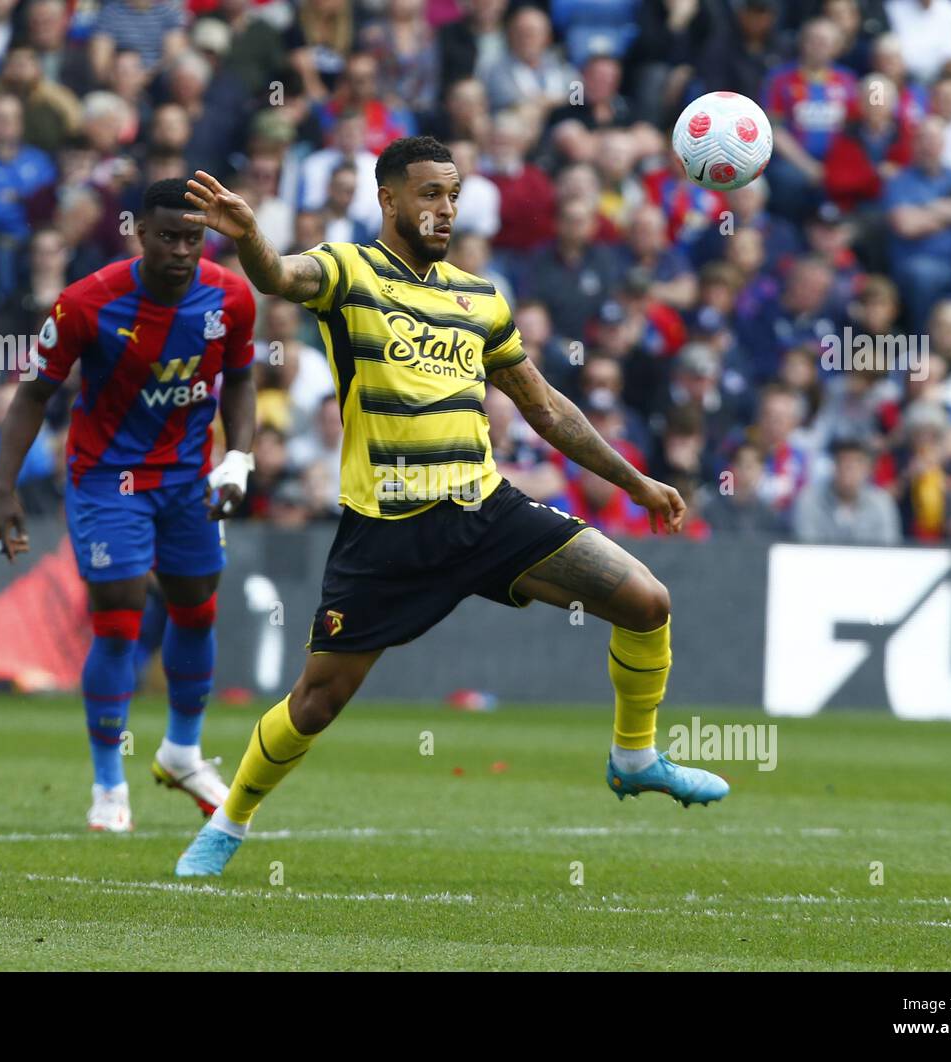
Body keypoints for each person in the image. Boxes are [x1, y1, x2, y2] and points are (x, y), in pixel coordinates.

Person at [173, 136, 728, 879]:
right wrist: (252, 241)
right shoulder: (348, 270)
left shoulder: (480, 296)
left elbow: (545, 407)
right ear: (390, 199)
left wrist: (633, 481)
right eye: (430, 193)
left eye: (454, 194)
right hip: (387, 533)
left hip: (484, 511)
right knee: (316, 703)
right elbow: (279, 278)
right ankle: (231, 821)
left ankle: (634, 757)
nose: (444, 209)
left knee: (644, 599)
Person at [0, 179, 257, 833]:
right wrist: (4, 490)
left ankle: (183, 752)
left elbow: (243, 379)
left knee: (197, 607)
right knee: (120, 614)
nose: (181, 251)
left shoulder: (231, 296)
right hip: (107, 478)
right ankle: (109, 784)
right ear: (139, 232)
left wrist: (240, 458)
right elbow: (33, 396)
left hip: (187, 479)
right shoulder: (88, 303)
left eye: (193, 238)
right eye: (168, 236)